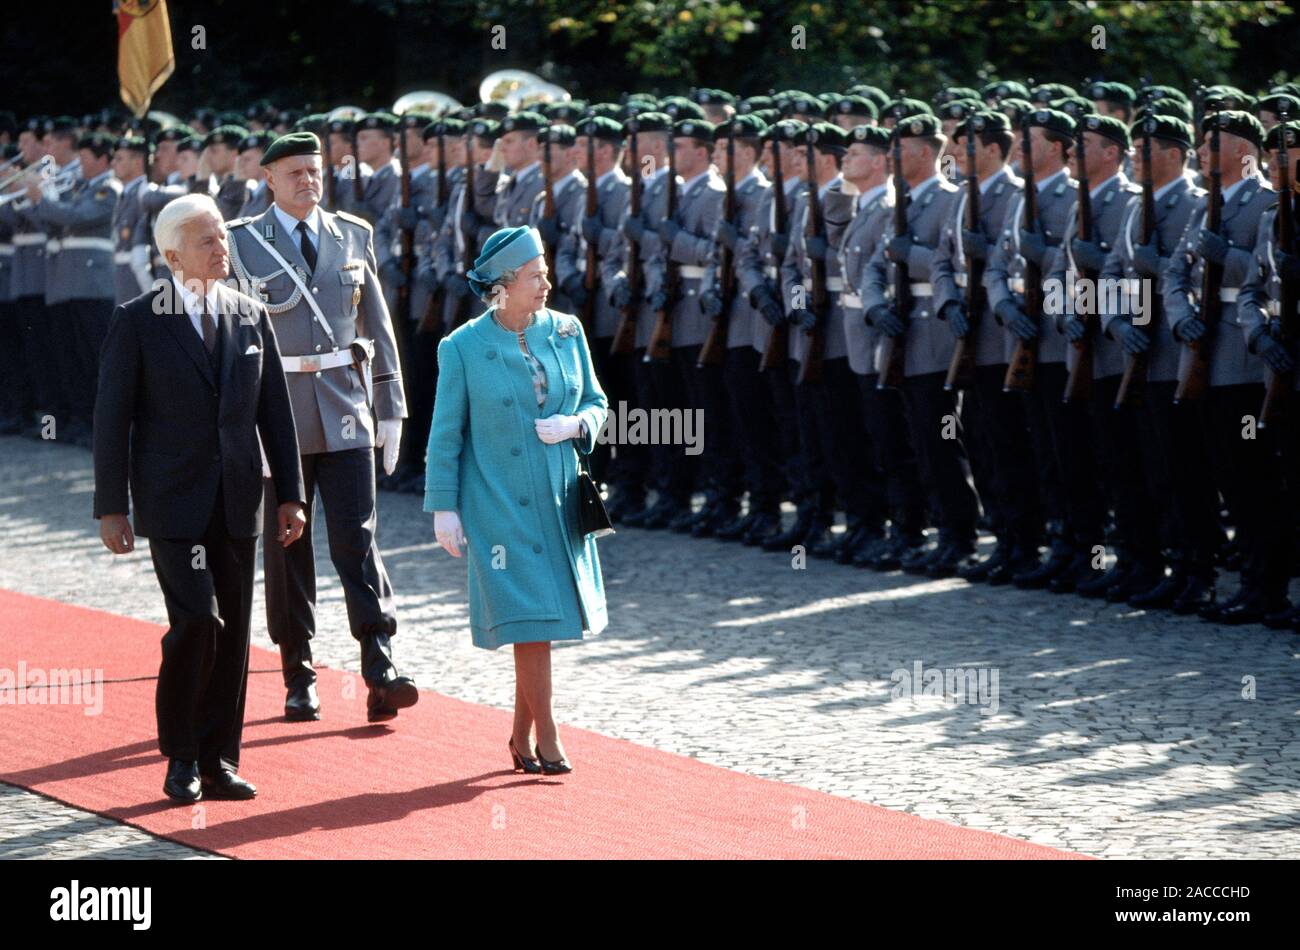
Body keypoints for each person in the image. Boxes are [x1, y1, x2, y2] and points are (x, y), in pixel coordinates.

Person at [92, 193, 307, 803]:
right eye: (207, 240)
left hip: (239, 501)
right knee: (196, 622)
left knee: (234, 632)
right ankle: (181, 756)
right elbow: (112, 419)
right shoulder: (137, 319)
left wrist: (290, 494)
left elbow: (276, 413)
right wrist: (112, 506)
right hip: (171, 503)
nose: (222, 249)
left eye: (223, 237)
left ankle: (219, 761)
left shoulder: (248, 313)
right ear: (170, 255)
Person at [224, 131, 416, 723]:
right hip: (276, 417)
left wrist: (390, 408)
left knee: (357, 538)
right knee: (288, 549)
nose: (309, 180)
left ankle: (379, 662)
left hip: (345, 408)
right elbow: (233, 340)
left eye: (315, 170)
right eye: (296, 172)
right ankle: (297, 670)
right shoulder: (244, 242)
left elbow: (377, 327)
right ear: (270, 180)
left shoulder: (353, 234)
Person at [424, 225, 609, 776]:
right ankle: (549, 738)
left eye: (545, 270)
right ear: (503, 286)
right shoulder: (461, 347)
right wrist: (444, 507)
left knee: (542, 622)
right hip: (496, 505)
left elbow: (598, 402)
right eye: (534, 275)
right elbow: (445, 433)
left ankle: (519, 737)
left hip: (559, 501)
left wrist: (577, 422)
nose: (546, 282)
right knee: (529, 622)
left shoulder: (567, 331)